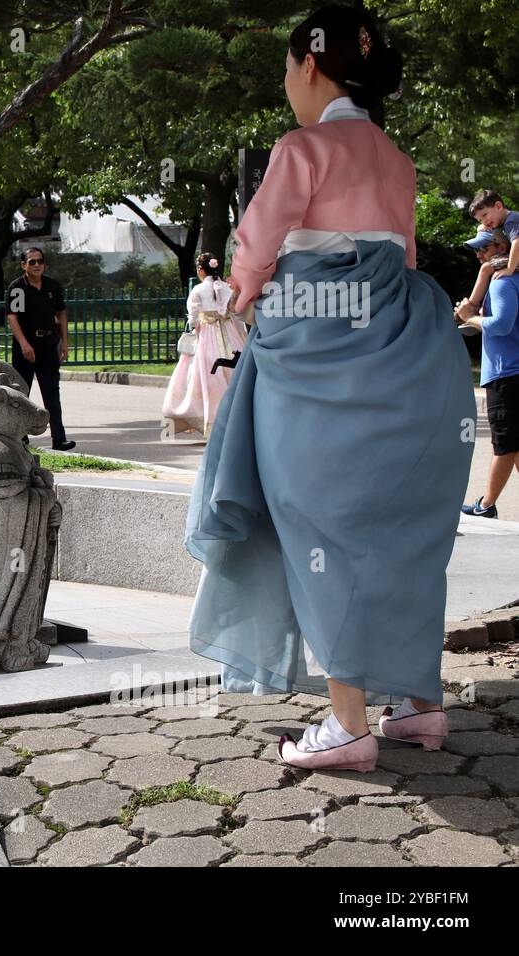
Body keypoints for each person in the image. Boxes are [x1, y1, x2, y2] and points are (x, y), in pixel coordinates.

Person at [184, 7, 475, 773]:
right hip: (412, 359)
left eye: (287, 69)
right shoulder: (397, 160)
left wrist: (239, 299)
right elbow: (402, 260)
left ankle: (348, 725)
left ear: (311, 67)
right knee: (402, 526)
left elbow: (253, 249)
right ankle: (419, 704)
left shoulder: (302, 148)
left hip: (316, 365)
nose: (286, 84)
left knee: (325, 523)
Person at [455, 255, 519, 518]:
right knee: (513, 444)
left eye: (486, 247)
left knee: (505, 445)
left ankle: (485, 505)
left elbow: (501, 326)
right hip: (511, 371)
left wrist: (470, 317)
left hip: (506, 373)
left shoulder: (502, 282)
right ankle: (486, 504)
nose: (479, 254)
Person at [162, 253, 247, 439]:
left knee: (204, 377)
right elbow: (237, 315)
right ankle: (235, 420)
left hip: (207, 337)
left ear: (201, 270)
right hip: (230, 334)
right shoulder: (228, 288)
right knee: (234, 375)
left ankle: (210, 420)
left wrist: (197, 324)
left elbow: (193, 319)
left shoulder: (198, 291)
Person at [5, 248, 75, 450]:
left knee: (52, 392)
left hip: (48, 345)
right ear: (23, 265)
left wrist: (64, 342)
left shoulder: (52, 285)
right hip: (25, 347)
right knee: (21, 393)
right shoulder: (18, 287)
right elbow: (12, 317)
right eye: (32, 262)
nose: (36, 265)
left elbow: (61, 313)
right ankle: (21, 436)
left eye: (40, 261)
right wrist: (24, 344)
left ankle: (58, 438)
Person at [462, 190, 519, 311]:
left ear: (498, 206)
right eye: (480, 220)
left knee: (486, 268)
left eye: (484, 215)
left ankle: (471, 306)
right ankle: (482, 307)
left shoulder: (511, 221)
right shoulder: (504, 221)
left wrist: (509, 269)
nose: (484, 222)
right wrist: (483, 225)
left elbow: (517, 243)